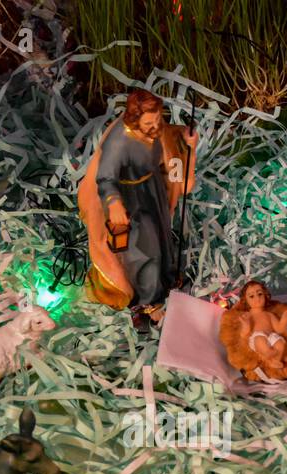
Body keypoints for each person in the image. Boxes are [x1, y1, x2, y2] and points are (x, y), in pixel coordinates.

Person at [78, 89, 199, 327]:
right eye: (149, 122)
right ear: (135, 120)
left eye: (158, 120)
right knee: (145, 249)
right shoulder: (119, 141)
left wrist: (188, 142)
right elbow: (105, 178)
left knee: (162, 238)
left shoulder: (157, 129)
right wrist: (113, 203)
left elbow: (168, 141)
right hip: (128, 200)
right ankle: (148, 302)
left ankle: (164, 281)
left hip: (152, 191)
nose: (156, 126)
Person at [219, 280, 287, 383]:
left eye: (260, 294)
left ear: (265, 295)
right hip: (256, 338)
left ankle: (276, 360)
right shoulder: (248, 315)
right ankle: (267, 356)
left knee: (280, 342)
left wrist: (284, 320)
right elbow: (244, 335)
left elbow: (279, 329)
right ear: (245, 300)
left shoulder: (269, 315)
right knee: (260, 340)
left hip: (271, 336)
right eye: (251, 296)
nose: (257, 298)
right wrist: (246, 325)